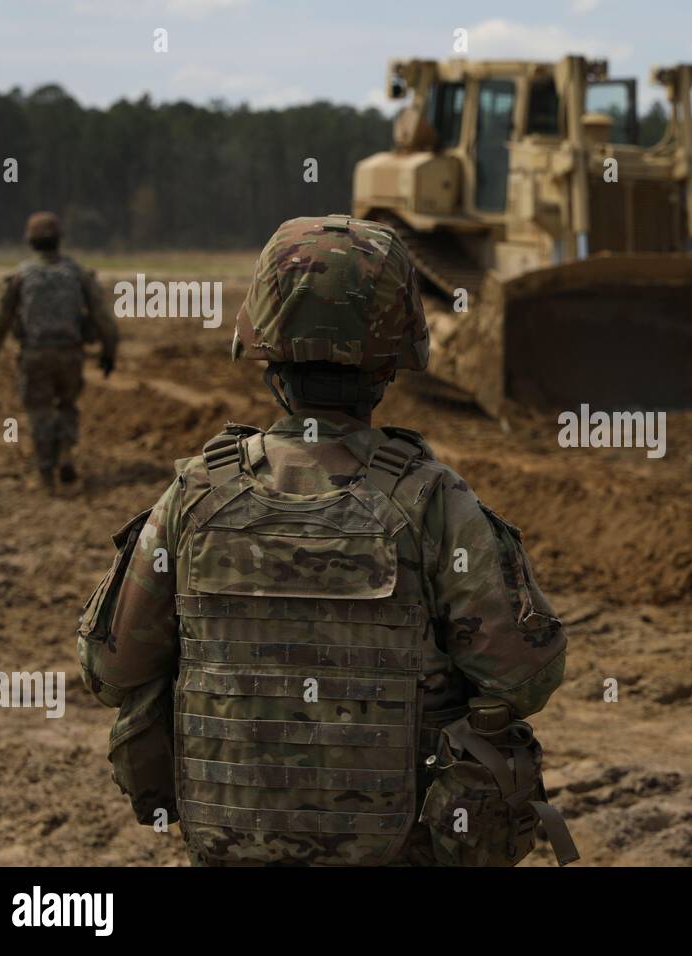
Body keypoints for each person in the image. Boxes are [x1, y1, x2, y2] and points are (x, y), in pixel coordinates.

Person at [76, 214, 575, 867]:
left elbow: (112, 672)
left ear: (264, 348)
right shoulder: (435, 502)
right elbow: (524, 676)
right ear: (394, 359)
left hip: (232, 848)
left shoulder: (194, 497)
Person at [0, 211, 118, 491]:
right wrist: (109, 351)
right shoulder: (77, 273)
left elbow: (1, 319)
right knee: (67, 405)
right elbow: (103, 318)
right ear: (59, 239)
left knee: (39, 411)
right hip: (70, 354)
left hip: (34, 355)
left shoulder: (22, 275)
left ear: (30, 241)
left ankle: (45, 475)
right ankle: (65, 452)